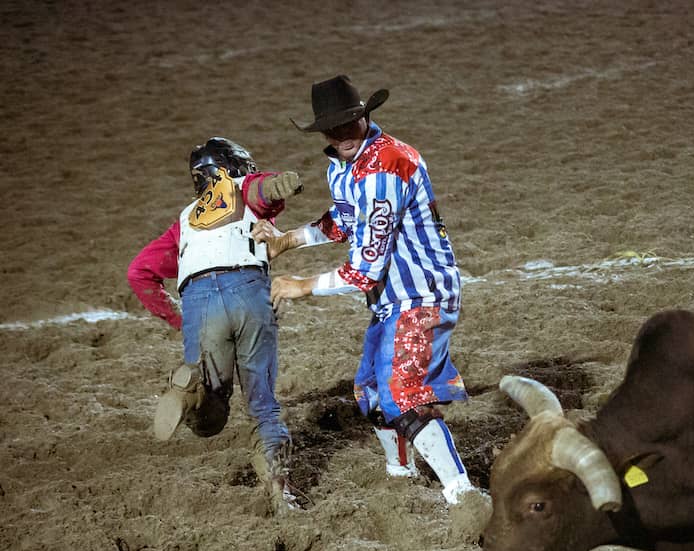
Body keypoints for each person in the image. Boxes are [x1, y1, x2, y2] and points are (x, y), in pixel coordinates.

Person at [253, 75, 479, 505]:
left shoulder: (386, 166)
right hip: (395, 300)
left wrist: (302, 286)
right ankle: (401, 476)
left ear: (364, 117)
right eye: (331, 128)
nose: (341, 134)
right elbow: (342, 220)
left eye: (348, 123)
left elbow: (365, 269)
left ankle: (462, 494)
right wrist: (288, 240)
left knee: (401, 395)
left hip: (420, 295)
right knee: (371, 391)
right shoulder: (345, 167)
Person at [127, 136, 305, 512]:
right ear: (231, 168)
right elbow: (259, 188)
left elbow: (139, 271)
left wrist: (179, 319)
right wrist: (278, 184)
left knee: (211, 416)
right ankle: (279, 489)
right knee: (263, 405)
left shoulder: (185, 220)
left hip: (198, 301)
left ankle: (189, 391)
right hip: (249, 292)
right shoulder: (243, 187)